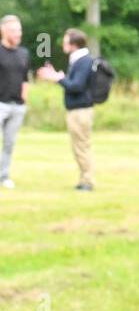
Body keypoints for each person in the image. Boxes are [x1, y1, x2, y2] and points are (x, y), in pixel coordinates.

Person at [38, 29, 96, 190]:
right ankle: (83, 179)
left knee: (82, 146)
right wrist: (59, 77)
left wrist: (58, 78)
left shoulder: (83, 61)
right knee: (78, 146)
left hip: (80, 111)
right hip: (77, 110)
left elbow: (76, 86)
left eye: (65, 42)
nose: (63, 44)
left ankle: (87, 181)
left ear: (73, 44)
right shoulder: (77, 60)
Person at [0, 14, 31, 190]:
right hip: (0, 103)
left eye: (19, 30)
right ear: (3, 31)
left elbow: (26, 78)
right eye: (14, 30)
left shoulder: (23, 53)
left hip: (17, 106)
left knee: (9, 143)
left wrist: (24, 99)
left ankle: (4, 176)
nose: (18, 34)